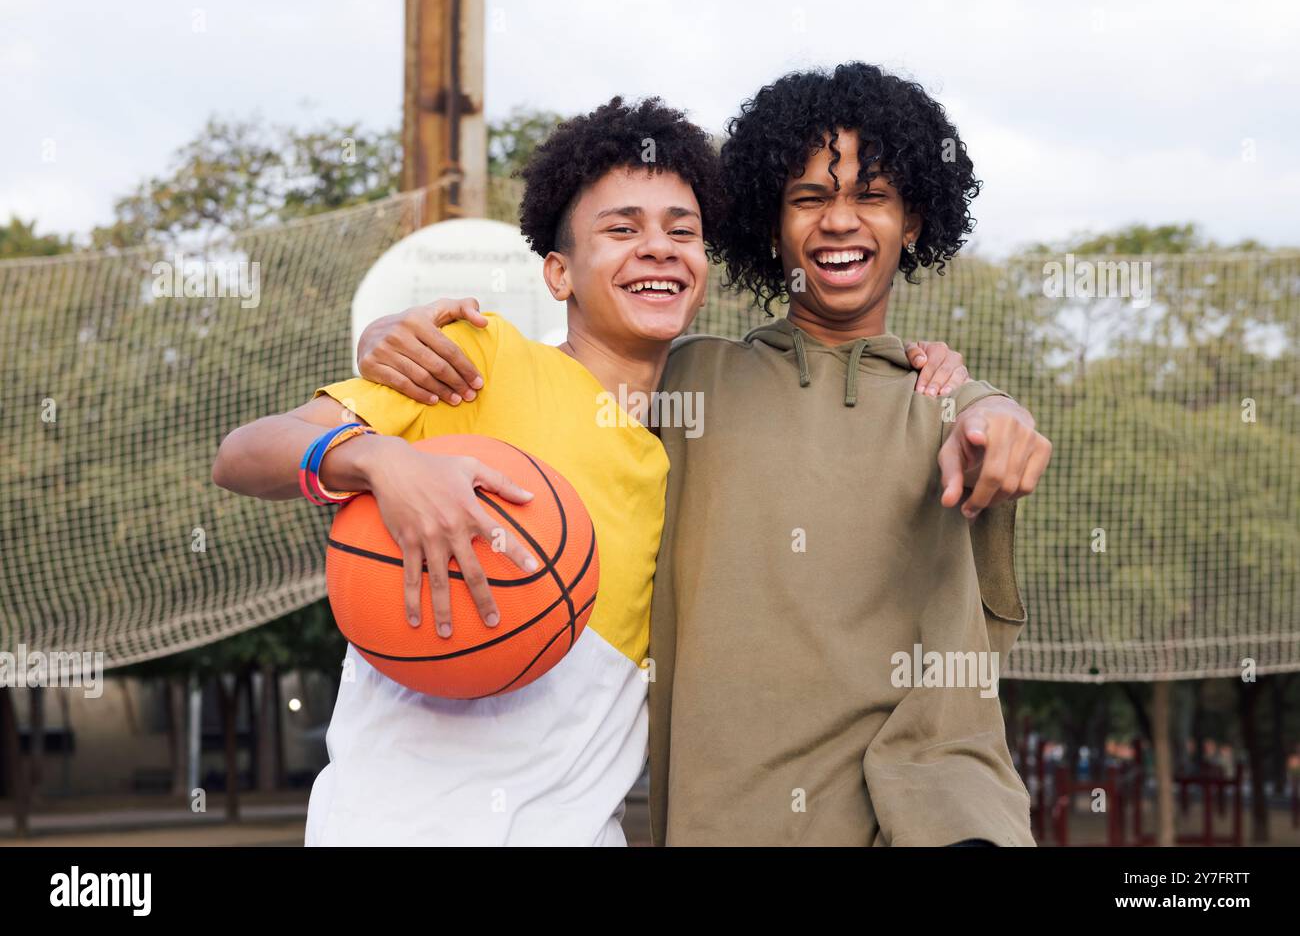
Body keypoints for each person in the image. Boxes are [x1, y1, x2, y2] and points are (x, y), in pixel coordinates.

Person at [355, 64, 1051, 845]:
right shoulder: (687, 379)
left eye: (873, 196)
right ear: (770, 224)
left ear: (914, 221)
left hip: (940, 815)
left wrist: (998, 410)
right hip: (731, 820)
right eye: (810, 198)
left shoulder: (945, 399)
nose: (841, 221)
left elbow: (994, 429)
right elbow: (564, 381)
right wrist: (384, 335)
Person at [212, 96, 722, 845]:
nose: (658, 247)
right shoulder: (478, 358)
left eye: (683, 231)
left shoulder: (695, 435)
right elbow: (242, 455)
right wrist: (378, 458)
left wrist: (948, 382)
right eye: (621, 229)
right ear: (558, 274)